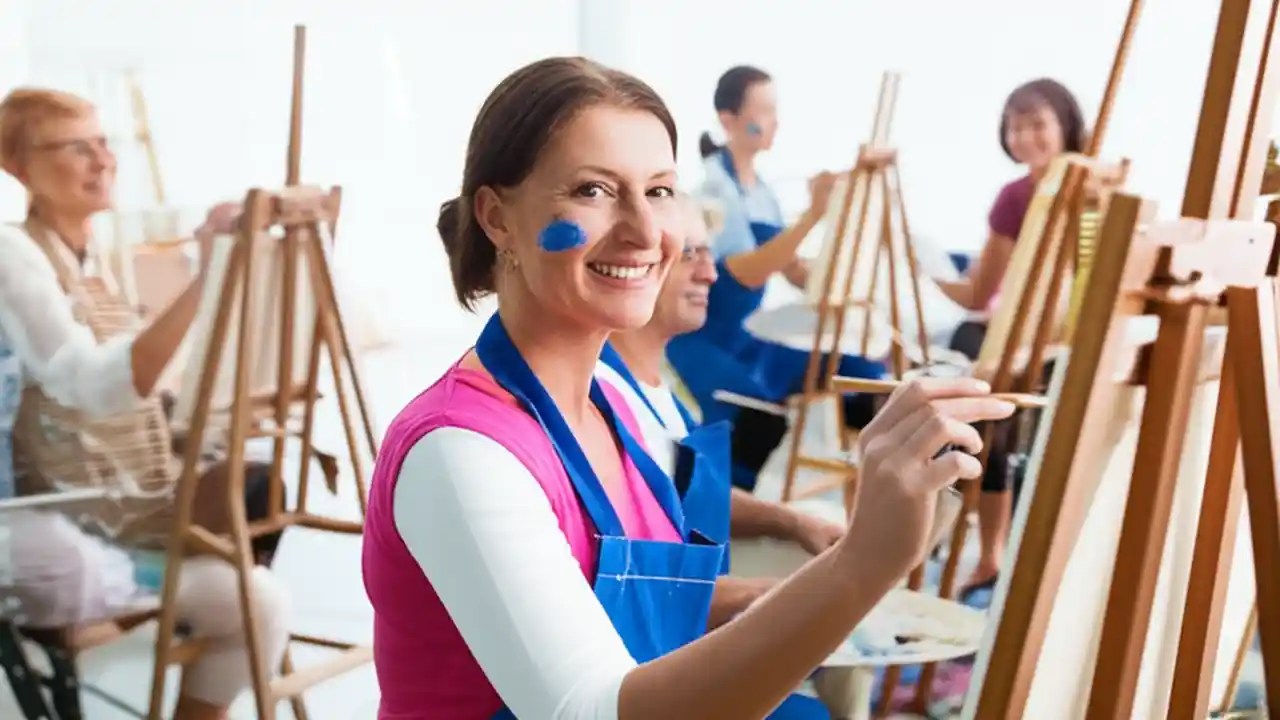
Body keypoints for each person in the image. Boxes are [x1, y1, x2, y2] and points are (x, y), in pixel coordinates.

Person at [361, 56, 1015, 719]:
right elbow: (592, 711)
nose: (646, 232)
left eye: (660, 190)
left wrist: (824, 574)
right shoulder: (461, 452)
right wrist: (865, 560)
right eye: (593, 190)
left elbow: (645, 612)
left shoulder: (614, 408)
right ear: (498, 219)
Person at [0, 87, 290, 720]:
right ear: (18, 167)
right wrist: (206, 274)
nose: (102, 160)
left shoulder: (97, 261)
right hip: (70, 522)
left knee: (259, 531)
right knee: (257, 604)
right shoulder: (11, 254)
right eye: (77, 147)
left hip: (119, 508)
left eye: (104, 143)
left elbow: (149, 387)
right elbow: (92, 382)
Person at [596, 193, 845, 632]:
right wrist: (771, 597)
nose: (710, 273)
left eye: (709, 254)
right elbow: (628, 589)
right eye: (690, 253)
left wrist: (795, 523)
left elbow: (692, 494)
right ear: (633, 265)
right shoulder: (601, 405)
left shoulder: (667, 395)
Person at [666, 65, 884, 451]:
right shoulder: (714, 189)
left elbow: (795, 272)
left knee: (861, 372)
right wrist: (814, 214)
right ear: (728, 119)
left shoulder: (764, 192)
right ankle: (729, 507)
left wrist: (849, 244)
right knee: (756, 427)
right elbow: (745, 273)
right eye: (763, 110)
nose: (774, 122)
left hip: (747, 337)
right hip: (705, 337)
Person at [934, 78, 1086, 597]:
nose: (1024, 136)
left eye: (1036, 123)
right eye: (1015, 126)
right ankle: (990, 555)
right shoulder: (1014, 197)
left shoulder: (1097, 191)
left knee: (996, 401)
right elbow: (981, 291)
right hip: (1008, 332)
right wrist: (922, 270)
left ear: (1065, 125)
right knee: (983, 397)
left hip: (1066, 339)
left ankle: (1007, 553)